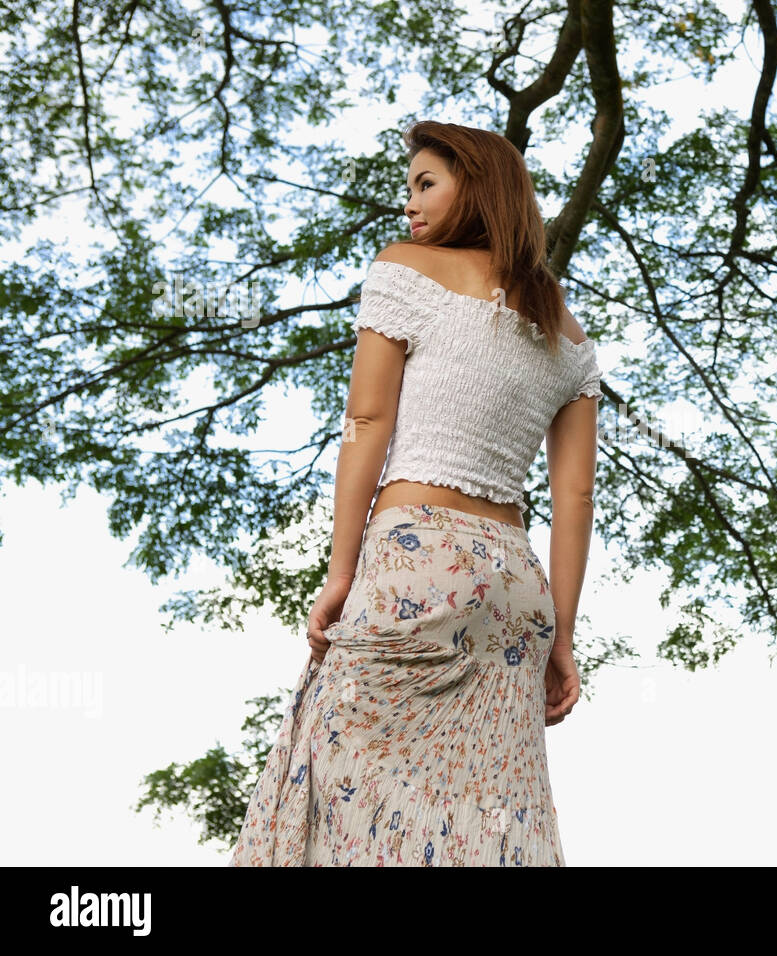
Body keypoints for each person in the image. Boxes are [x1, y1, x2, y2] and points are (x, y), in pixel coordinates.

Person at [228, 121, 602, 866]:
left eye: (426, 183)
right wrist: (562, 635)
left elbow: (367, 421)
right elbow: (578, 495)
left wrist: (341, 573)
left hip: (418, 557)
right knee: (494, 815)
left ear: (481, 183)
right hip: (517, 591)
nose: (410, 205)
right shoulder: (569, 330)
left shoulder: (405, 269)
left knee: (337, 777)